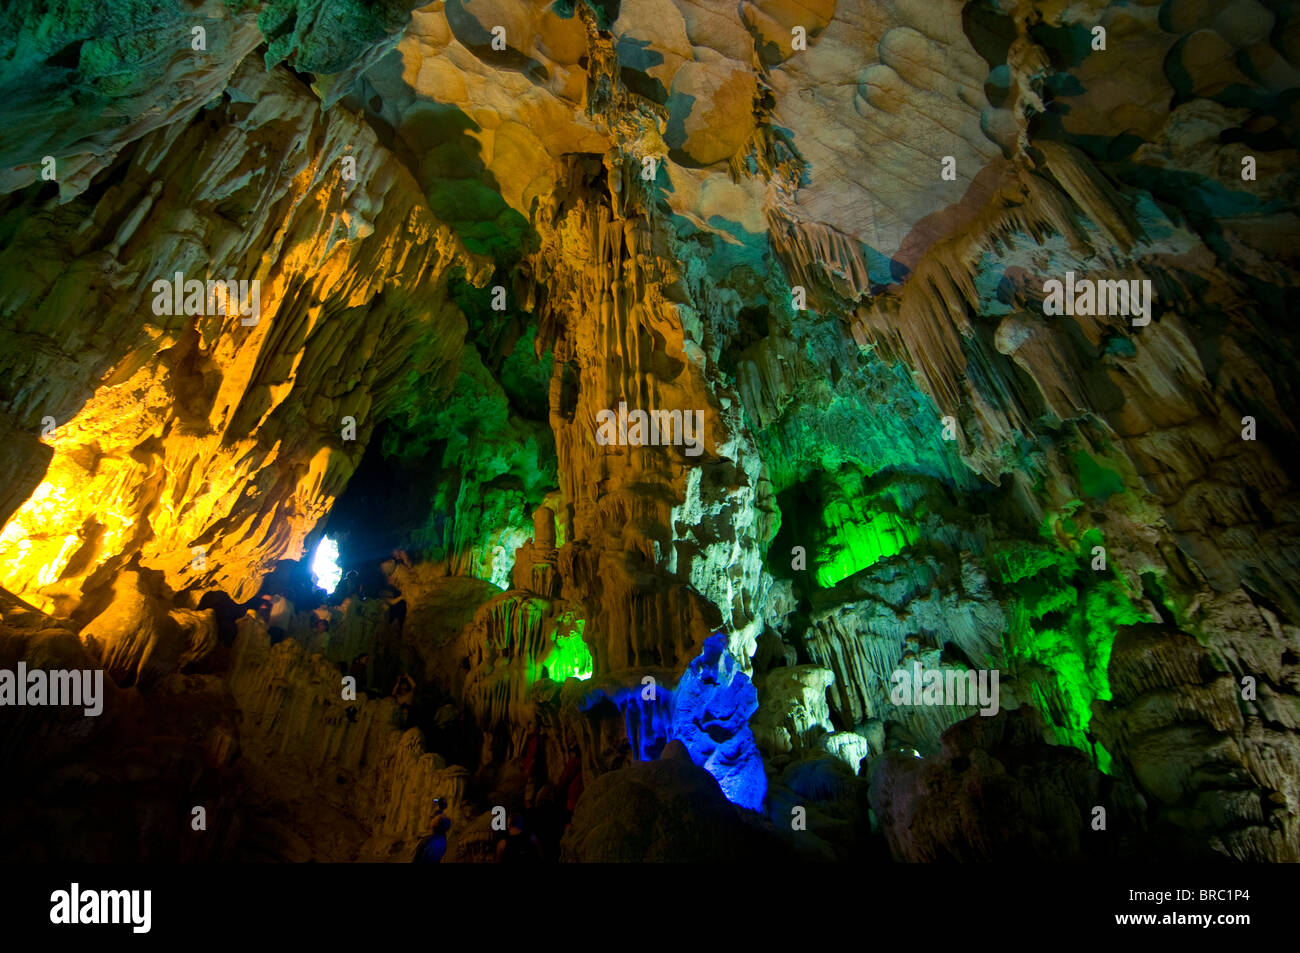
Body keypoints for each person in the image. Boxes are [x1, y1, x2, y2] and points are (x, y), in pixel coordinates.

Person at [412, 798, 451, 863]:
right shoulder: (445, 817)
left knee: (422, 848)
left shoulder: (438, 815)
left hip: (435, 839)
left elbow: (432, 825)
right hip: (442, 840)